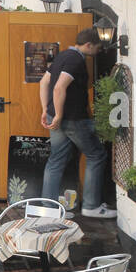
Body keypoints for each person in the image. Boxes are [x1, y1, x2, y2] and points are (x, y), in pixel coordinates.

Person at [39, 28, 116, 217]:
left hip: (56, 116)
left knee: (55, 160)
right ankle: (91, 206)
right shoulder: (75, 60)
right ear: (88, 45)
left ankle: (48, 210)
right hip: (72, 119)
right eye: (97, 47)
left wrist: (45, 110)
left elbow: (44, 82)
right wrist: (58, 114)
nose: (98, 51)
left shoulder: (63, 55)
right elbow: (58, 88)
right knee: (96, 155)